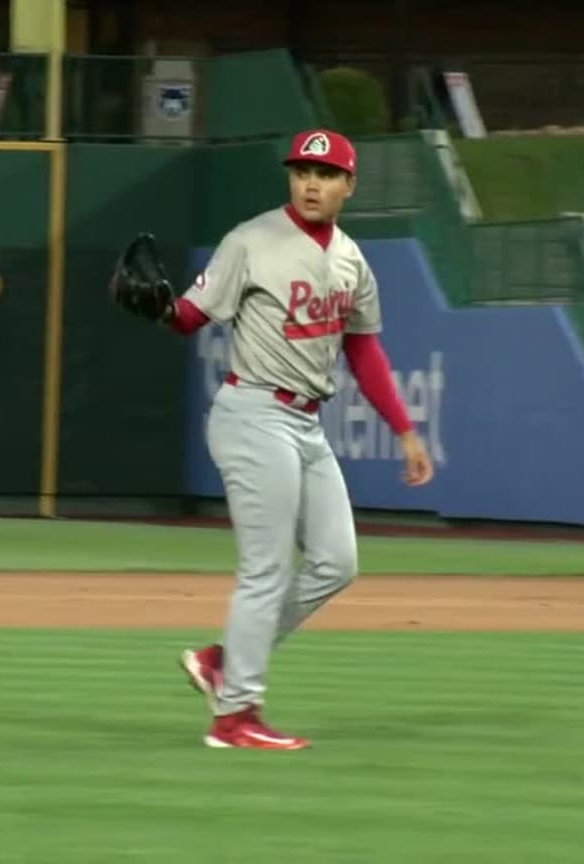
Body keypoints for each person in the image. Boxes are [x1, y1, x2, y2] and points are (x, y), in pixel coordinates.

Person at [159, 129, 434, 750]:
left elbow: (362, 347)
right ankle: (234, 718)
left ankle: (224, 662)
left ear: (348, 185)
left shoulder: (350, 259)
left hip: (305, 423)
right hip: (253, 412)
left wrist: (404, 430)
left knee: (336, 562)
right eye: (302, 171)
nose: (312, 183)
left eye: (327, 174)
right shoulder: (251, 240)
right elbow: (189, 317)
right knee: (265, 568)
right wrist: (157, 306)